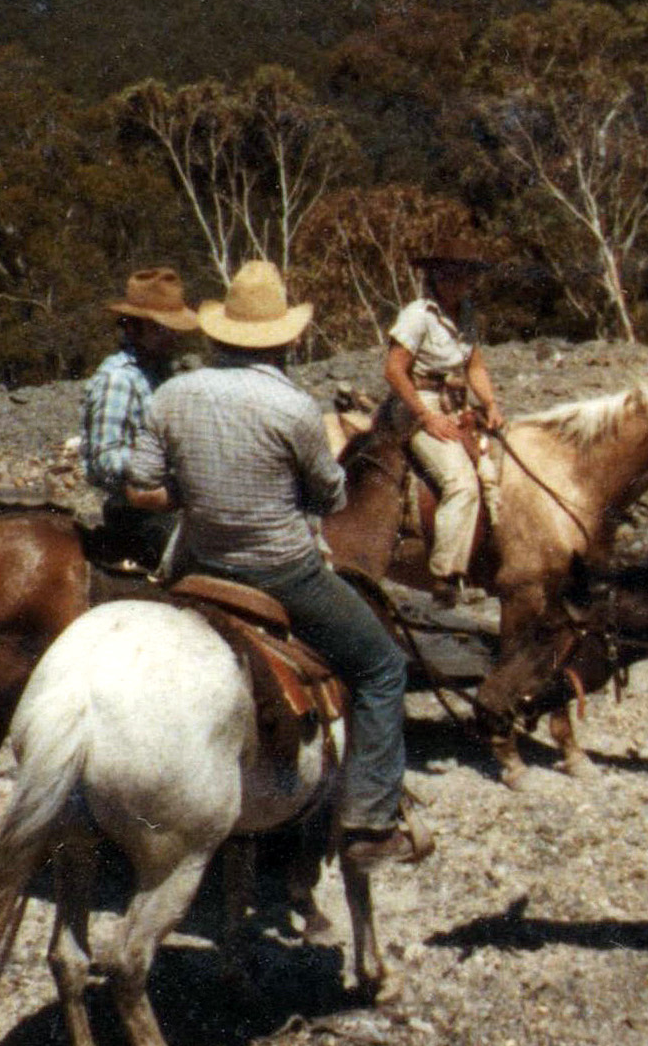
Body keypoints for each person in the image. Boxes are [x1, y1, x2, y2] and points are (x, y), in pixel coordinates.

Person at [124, 260, 433, 870]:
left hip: (194, 565)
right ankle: (369, 819)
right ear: (285, 339)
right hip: (280, 574)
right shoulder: (293, 406)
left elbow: (141, 489)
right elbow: (331, 498)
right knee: (382, 667)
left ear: (218, 334)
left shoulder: (172, 394)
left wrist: (199, 493)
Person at [383, 239, 505, 599]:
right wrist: (425, 417)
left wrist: (492, 402)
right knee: (461, 482)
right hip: (416, 403)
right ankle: (445, 576)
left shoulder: (466, 314)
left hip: (454, 402)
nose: (460, 281)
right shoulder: (418, 315)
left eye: (466, 274)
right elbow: (394, 370)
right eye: (452, 274)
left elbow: (475, 366)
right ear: (436, 276)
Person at [79, 267, 196, 571]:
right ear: (133, 328)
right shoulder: (119, 380)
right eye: (161, 328)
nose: (171, 336)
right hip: (136, 514)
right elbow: (104, 458)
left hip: (166, 503)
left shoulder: (160, 374)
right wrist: (162, 464)